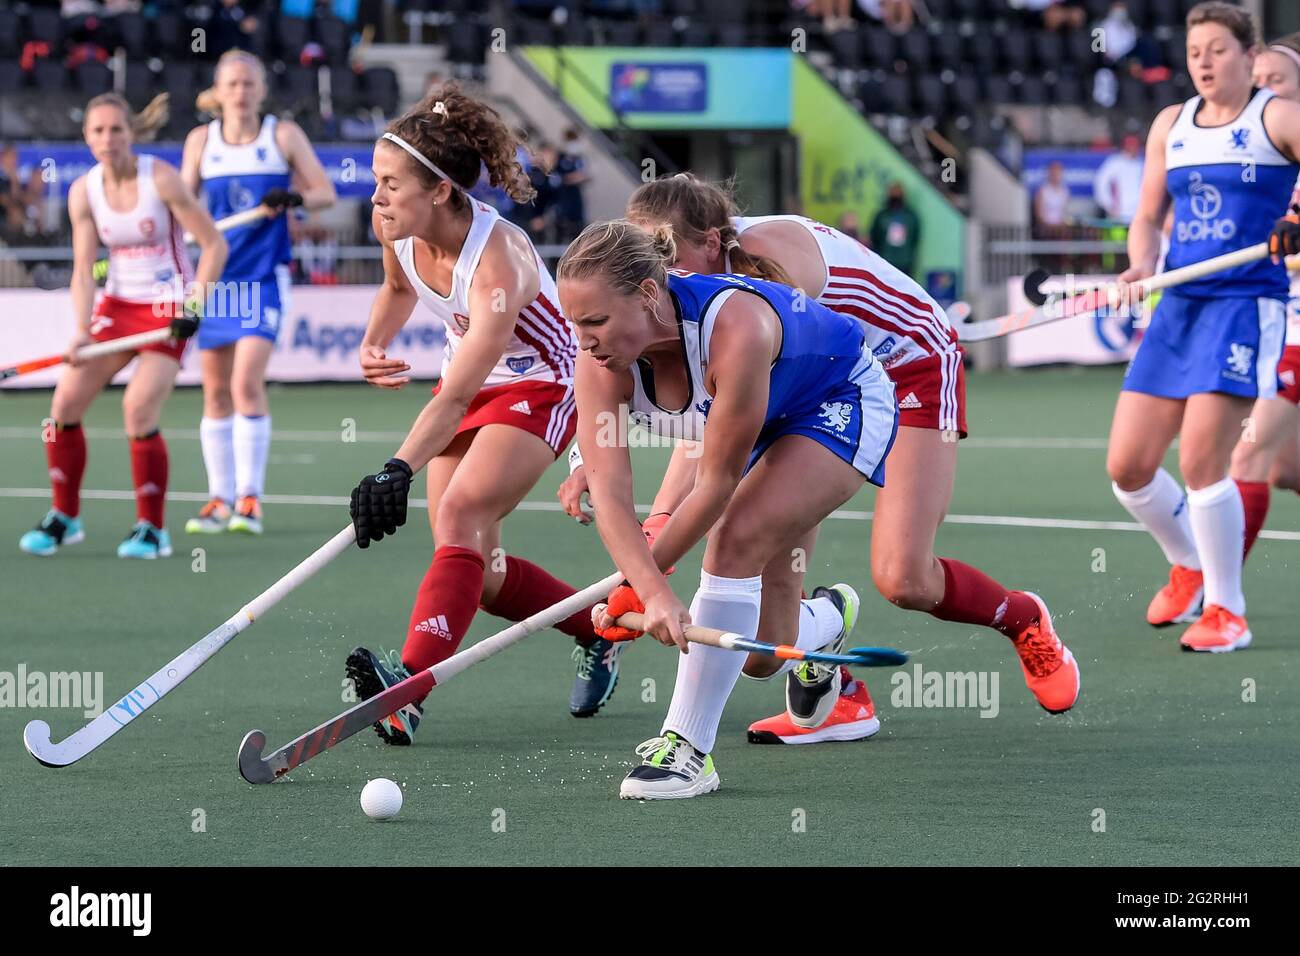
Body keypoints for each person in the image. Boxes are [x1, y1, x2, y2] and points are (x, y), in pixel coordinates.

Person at [561, 174, 1080, 747]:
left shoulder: (763, 280)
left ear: (712, 242)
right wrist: (597, 452)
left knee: (903, 577)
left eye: (666, 259)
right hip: (797, 397)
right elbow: (702, 411)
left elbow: (711, 440)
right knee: (764, 647)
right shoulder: (682, 299)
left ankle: (1021, 617)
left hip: (904, 370)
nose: (660, 277)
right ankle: (832, 663)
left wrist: (652, 557)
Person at [558, 219, 900, 799]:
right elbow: (612, 496)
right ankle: (828, 623)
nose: (584, 339)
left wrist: (649, 592)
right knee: (764, 654)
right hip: (762, 416)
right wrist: (643, 586)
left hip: (839, 400)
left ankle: (686, 750)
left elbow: (714, 485)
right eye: (575, 323)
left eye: (596, 322)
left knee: (733, 536)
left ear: (646, 293)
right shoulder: (597, 362)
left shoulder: (733, 329)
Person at [342, 84, 621, 737]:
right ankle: (601, 626)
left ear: (439, 190)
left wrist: (396, 468)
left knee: (462, 512)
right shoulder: (396, 226)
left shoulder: (499, 262)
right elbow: (394, 286)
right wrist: (374, 339)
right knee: (483, 574)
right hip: (474, 380)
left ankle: (406, 689)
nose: (377, 197)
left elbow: (460, 395)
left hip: (546, 383)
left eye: (390, 183)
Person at [1106, 3, 1300, 653]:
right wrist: (1139, 264)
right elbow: (1148, 214)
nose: (1206, 63)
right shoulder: (1172, 125)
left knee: (1200, 461)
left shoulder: (1276, 117)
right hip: (1179, 305)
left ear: (1250, 57)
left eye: (1219, 50)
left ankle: (1227, 611)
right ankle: (1189, 561)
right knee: (1128, 467)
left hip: (1245, 305)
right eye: (1196, 54)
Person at [18, 93, 227, 559]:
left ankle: (152, 529)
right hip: (117, 306)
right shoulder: (83, 192)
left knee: (137, 409)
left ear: (131, 133)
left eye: (116, 130)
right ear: (87, 137)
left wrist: (194, 305)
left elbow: (213, 246)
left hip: (165, 310)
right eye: (98, 131)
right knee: (63, 406)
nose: (107, 139)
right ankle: (64, 517)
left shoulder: (162, 179)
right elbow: (82, 270)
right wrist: (81, 331)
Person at [180, 49, 336, 536]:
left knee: (246, 382)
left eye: (249, 83)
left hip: (265, 278)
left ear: (261, 89)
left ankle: (250, 499)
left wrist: (292, 198)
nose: (241, 92)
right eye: (232, 84)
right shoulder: (201, 141)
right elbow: (181, 205)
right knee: (214, 390)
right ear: (219, 91)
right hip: (216, 280)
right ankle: (218, 500)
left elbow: (326, 193)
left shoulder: (282, 136)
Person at [1229, 33, 1300, 563]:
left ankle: (1217, 595)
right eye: (1260, 82)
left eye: (1277, 81)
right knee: (1288, 470)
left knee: (1247, 457)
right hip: (1277, 324)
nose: (1266, 92)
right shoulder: (1256, 157)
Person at [868, 181, 920, 278]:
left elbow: (915, 239)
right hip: (884, 261)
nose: (896, 196)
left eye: (898, 193)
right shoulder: (881, 216)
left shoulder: (911, 216)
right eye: (893, 192)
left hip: (904, 263)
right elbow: (874, 237)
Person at [1094, 133, 1145, 223]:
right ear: (1126, 147)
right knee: (1117, 237)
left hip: (1139, 213)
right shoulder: (1115, 162)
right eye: (1131, 146)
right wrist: (1108, 206)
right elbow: (1101, 183)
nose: (1134, 148)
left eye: (1135, 146)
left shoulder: (1141, 163)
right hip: (1119, 214)